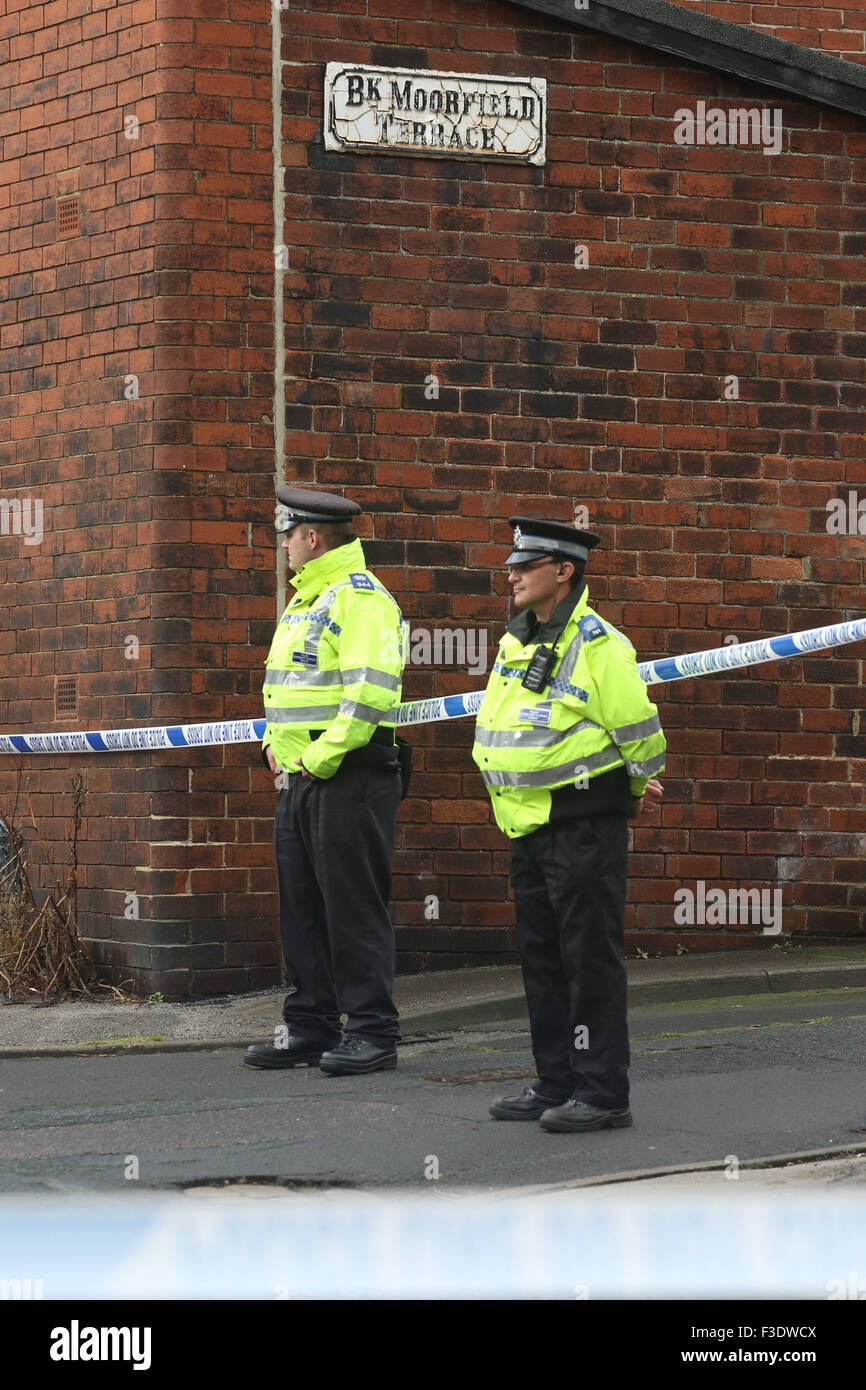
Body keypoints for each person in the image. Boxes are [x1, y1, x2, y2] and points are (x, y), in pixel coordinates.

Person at [472, 516, 666, 1131]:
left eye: (525, 566)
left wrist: (633, 792)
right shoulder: (517, 640)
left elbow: (641, 736)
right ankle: (557, 1080)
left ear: (564, 571)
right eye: (512, 565)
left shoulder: (599, 643)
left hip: (582, 825)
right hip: (528, 826)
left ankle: (603, 1093)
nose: (511, 575)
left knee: (588, 961)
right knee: (543, 959)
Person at [244, 487, 405, 1076]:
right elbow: (285, 690)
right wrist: (273, 746)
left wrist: (321, 758)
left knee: (353, 910)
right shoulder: (307, 599)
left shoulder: (359, 599)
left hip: (346, 777)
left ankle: (371, 1033)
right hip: (301, 778)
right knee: (303, 911)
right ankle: (310, 1025)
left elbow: (370, 695)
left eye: (288, 535)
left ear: (312, 538)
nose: (283, 545)